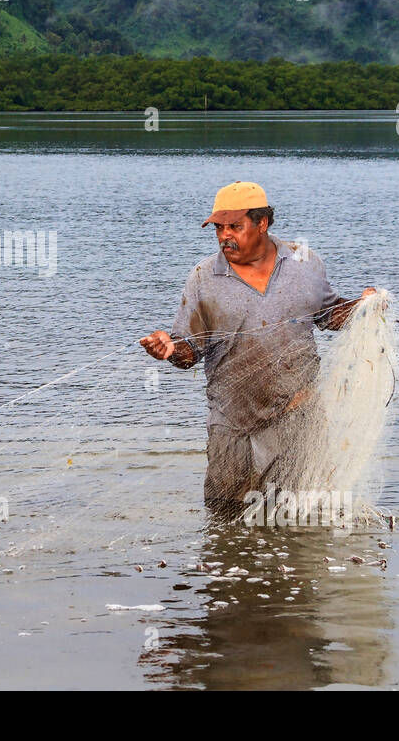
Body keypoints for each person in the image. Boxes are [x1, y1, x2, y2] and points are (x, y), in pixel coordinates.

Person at [139, 181, 376, 519]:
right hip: (233, 426)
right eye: (219, 228)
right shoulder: (204, 277)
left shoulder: (304, 263)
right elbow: (189, 350)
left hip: (298, 418)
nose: (224, 236)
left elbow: (328, 314)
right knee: (225, 520)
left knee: (303, 518)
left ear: (261, 223)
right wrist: (168, 349)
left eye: (234, 226)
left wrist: (362, 308)